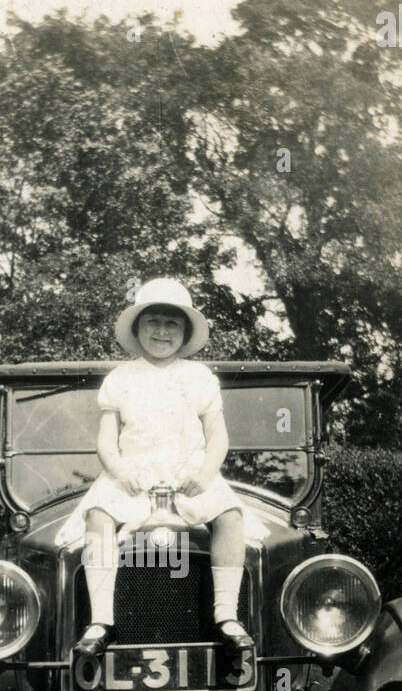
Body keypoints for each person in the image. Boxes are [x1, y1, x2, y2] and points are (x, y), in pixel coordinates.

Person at [56, 277, 263, 657]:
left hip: (187, 475)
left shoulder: (199, 377)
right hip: (134, 475)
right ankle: (101, 622)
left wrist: (203, 475)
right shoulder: (120, 379)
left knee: (231, 515)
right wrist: (119, 471)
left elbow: (218, 438)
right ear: (137, 328)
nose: (162, 332)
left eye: (173, 324)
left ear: (185, 332)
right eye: (153, 322)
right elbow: (106, 441)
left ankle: (226, 616)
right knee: (98, 514)